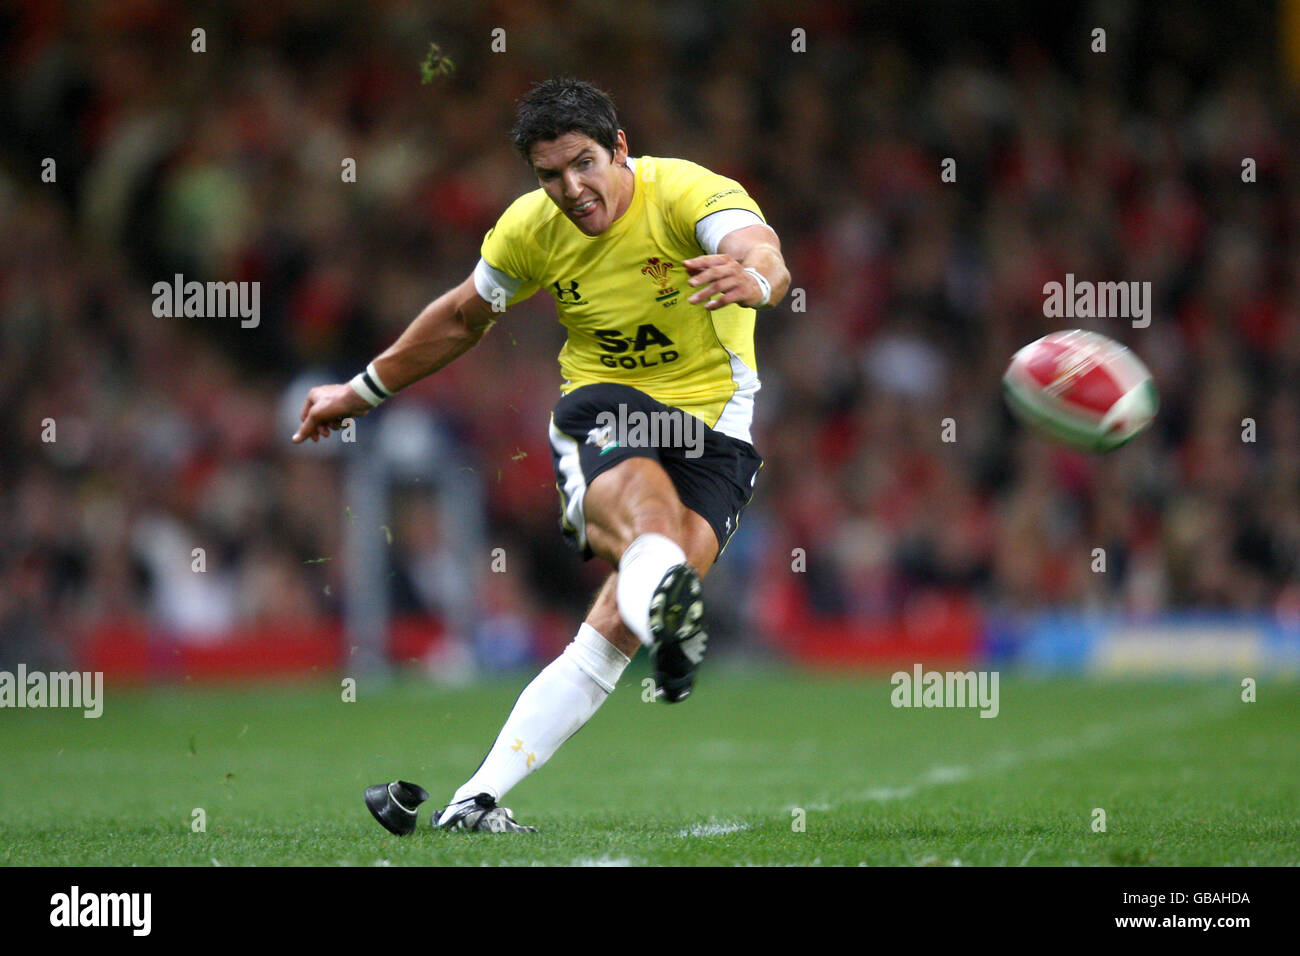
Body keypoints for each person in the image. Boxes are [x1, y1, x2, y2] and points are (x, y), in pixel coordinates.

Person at [293, 77, 789, 834]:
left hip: (717, 430)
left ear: (620, 148)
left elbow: (764, 253)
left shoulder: (686, 193)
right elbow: (462, 317)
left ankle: (472, 800)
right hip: (607, 408)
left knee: (614, 628)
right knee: (650, 528)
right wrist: (360, 391)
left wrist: (752, 278)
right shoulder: (530, 229)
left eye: (585, 164)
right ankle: (669, 610)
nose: (572, 189)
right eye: (550, 174)